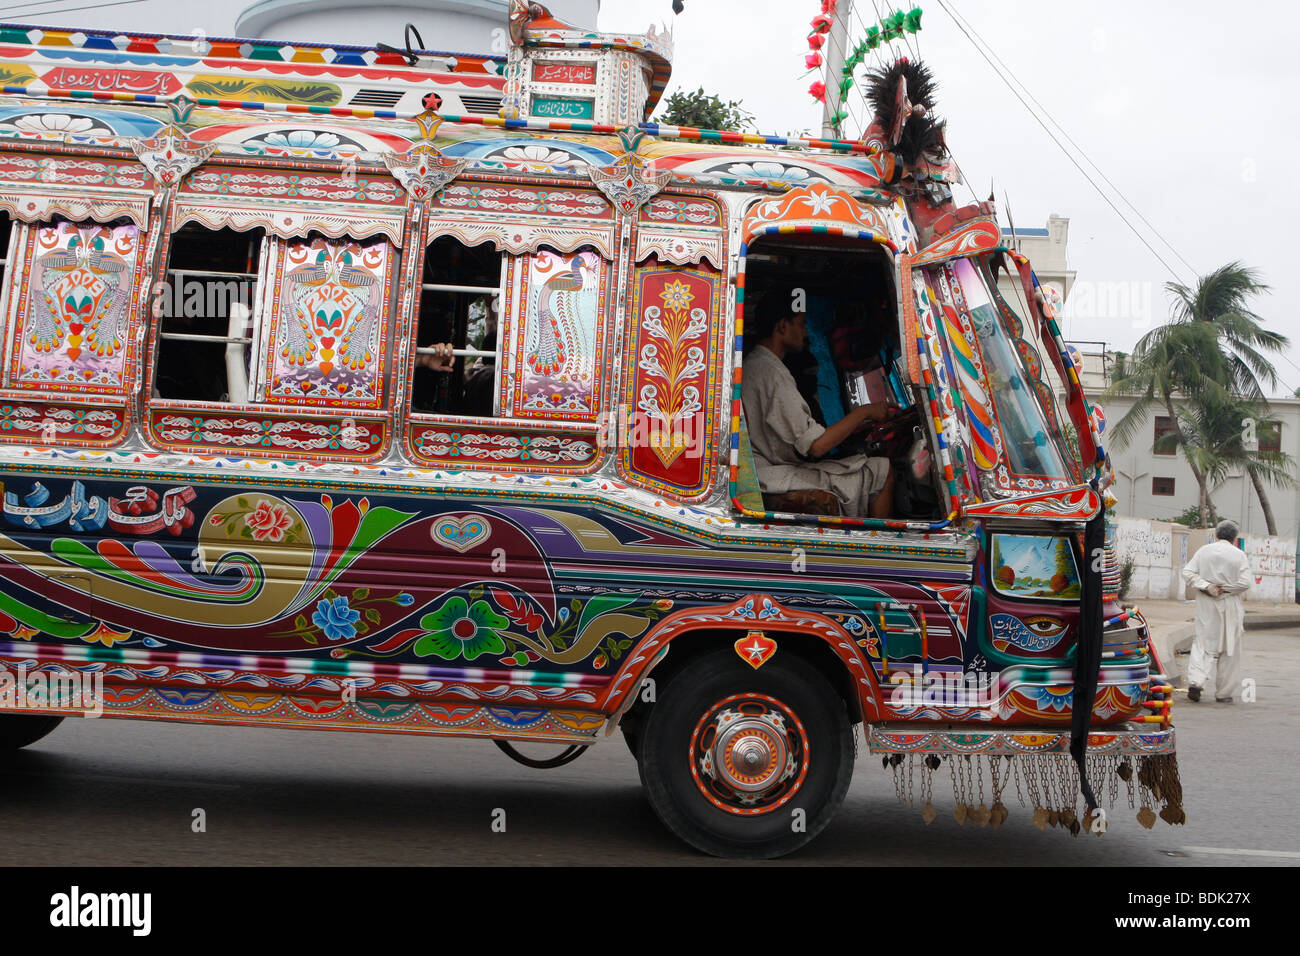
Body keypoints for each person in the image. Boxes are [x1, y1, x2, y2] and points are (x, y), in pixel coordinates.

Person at [742, 294, 896, 518]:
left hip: (768, 472)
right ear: (783, 326)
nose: (806, 334)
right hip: (771, 476)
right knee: (881, 471)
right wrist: (866, 411)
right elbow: (816, 446)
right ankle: (882, 550)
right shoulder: (771, 373)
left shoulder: (758, 364)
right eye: (802, 324)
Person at [1180, 520, 1253, 703]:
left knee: (1203, 643)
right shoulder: (1239, 555)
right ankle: (1223, 693)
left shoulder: (1204, 551)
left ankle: (1196, 682)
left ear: (1216, 534)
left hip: (1206, 602)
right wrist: (1226, 589)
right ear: (1234, 538)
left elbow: (1188, 573)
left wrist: (1207, 586)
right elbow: (1245, 583)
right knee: (1230, 648)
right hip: (1231, 605)